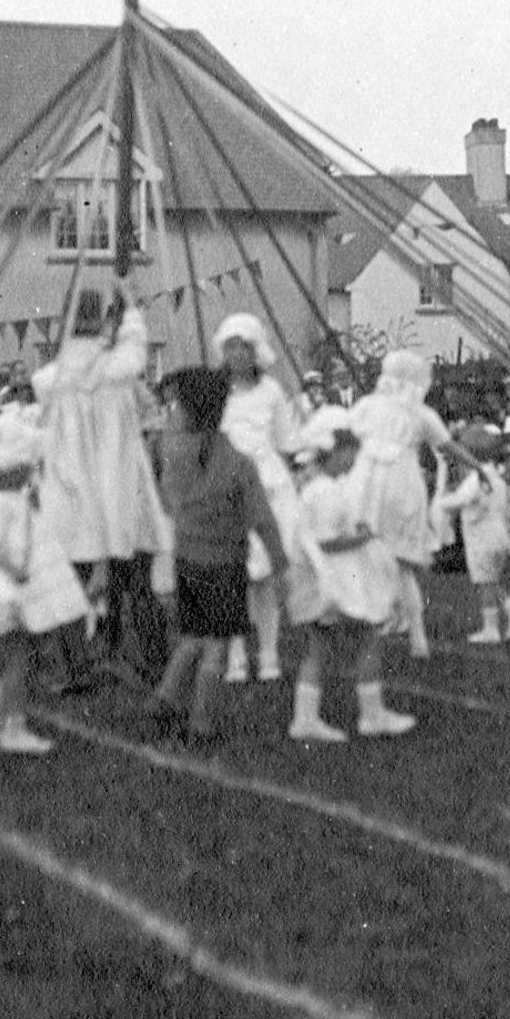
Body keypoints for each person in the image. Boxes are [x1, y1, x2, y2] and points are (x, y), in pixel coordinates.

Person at [33, 286, 171, 690]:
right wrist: (128, 306)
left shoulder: (50, 379)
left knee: (71, 578)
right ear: (104, 323)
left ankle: (75, 668)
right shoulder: (120, 368)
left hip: (72, 487)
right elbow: (135, 343)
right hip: (119, 484)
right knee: (138, 581)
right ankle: (156, 665)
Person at [147, 367, 288, 740]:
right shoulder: (238, 462)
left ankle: (164, 697)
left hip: (188, 558)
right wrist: (280, 564)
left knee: (192, 635)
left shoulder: (170, 451)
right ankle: (201, 720)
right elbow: (263, 519)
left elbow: (165, 498)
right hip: (225, 563)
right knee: (216, 647)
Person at [283, 405, 414, 741]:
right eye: (351, 453)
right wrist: (363, 536)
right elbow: (327, 541)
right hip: (330, 581)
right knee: (368, 638)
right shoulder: (325, 490)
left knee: (320, 646)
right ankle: (371, 714)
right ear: (337, 453)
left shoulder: (318, 486)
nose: (355, 461)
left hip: (321, 579)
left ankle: (306, 717)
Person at [0, 409, 90, 755]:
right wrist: (13, 575)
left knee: (30, 653)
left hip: (20, 587)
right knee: (20, 657)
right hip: (6, 590)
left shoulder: (14, 498)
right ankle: (13, 727)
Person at [349, 351, 482, 658]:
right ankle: (416, 636)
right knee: (403, 563)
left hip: (368, 482)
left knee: (370, 553)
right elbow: (449, 447)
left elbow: (346, 438)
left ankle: (381, 617)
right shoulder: (422, 414)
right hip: (403, 483)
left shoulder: (368, 406)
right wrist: (480, 467)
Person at [212, 313, 304, 685]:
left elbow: (285, 441)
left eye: (243, 348)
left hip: (267, 488)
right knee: (233, 577)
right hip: (228, 489)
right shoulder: (215, 392)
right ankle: (235, 656)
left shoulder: (272, 391)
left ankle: (268, 653)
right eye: (229, 347)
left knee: (265, 578)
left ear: (255, 352)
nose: (236, 355)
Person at [435, 425, 510, 644]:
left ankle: (491, 629)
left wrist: (441, 499)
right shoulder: (496, 477)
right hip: (498, 536)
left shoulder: (476, 479)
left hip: (482, 539)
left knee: (485, 584)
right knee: (491, 581)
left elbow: (458, 501)